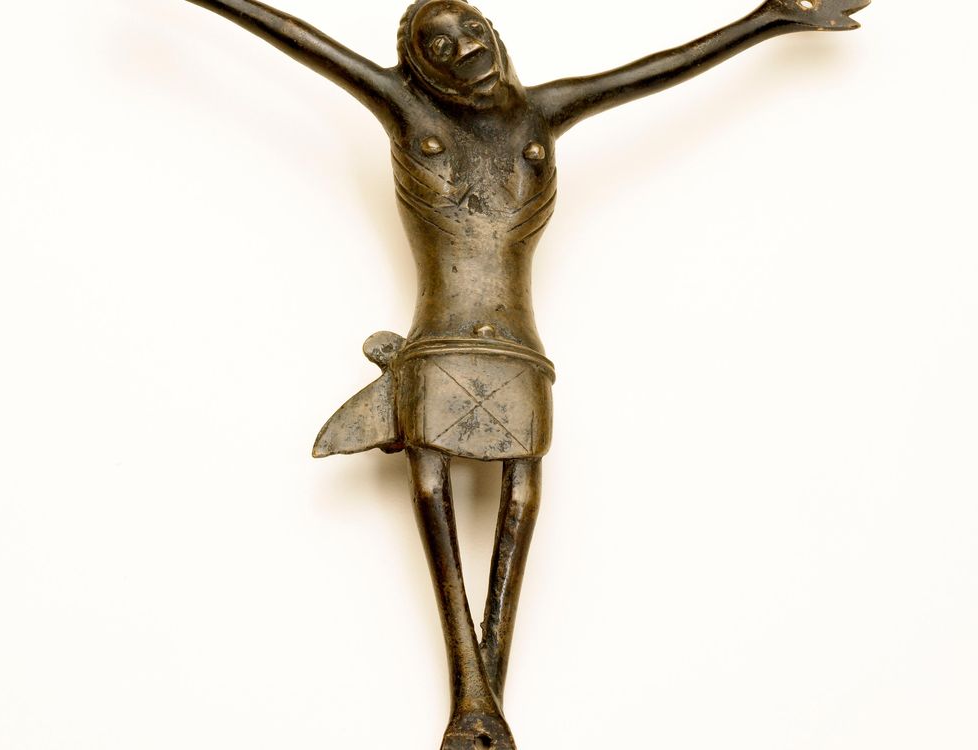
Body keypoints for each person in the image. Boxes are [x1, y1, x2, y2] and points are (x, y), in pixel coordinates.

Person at [182, 1, 869, 747]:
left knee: (521, 499)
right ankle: (474, 702)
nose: (464, 49)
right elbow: (298, 39)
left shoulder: (542, 114)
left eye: (470, 30)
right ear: (419, 67)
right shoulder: (407, 110)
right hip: (437, 341)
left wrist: (769, 19)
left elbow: (659, 71)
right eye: (439, 46)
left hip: (519, 347)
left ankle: (479, 709)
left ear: (494, 34)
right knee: (429, 490)